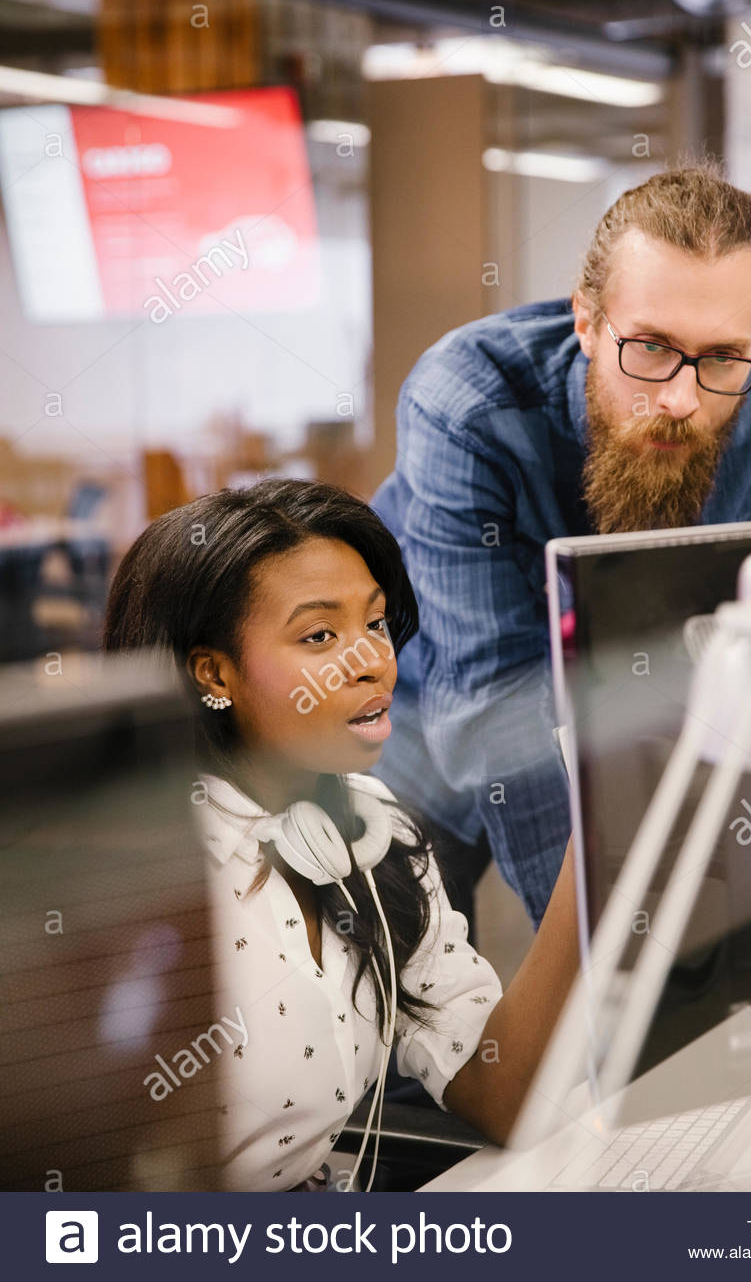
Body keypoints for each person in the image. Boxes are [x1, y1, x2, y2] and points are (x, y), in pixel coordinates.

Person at [372, 164, 751, 928]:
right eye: (649, 347)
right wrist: (613, 963)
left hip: (649, 694)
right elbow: (494, 712)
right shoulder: (465, 404)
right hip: (436, 721)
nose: (680, 400)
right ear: (586, 321)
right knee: (420, 996)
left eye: (722, 358)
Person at [103, 478, 578, 1191]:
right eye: (320, 635)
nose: (372, 661)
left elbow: (502, 1094)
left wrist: (596, 848)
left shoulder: (371, 828)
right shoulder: (144, 884)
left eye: (377, 624)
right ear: (214, 673)